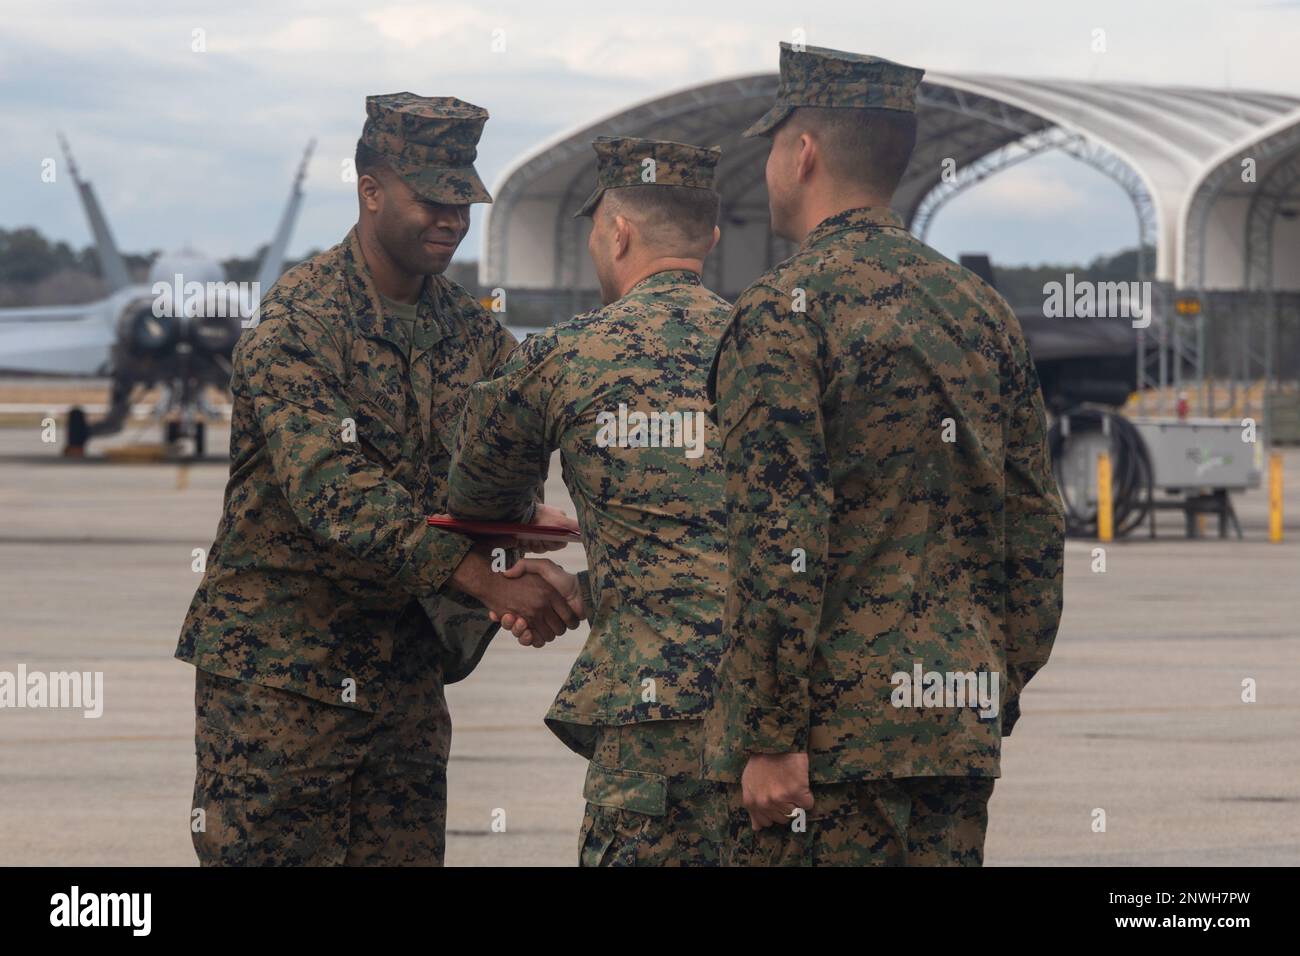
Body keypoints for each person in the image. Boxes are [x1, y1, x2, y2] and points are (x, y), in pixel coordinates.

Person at [176, 92, 582, 866]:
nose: (452, 218)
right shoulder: (295, 323)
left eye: (463, 200)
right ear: (371, 189)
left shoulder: (472, 334)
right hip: (282, 685)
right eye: (432, 198)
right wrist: (485, 581)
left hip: (403, 688)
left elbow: (517, 450)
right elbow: (333, 489)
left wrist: (529, 538)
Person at [705, 44, 1065, 866]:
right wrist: (989, 687)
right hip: (953, 731)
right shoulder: (982, 314)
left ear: (803, 153)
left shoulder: (783, 314)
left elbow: (779, 537)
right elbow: (1036, 528)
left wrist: (766, 733)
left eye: (772, 145)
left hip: (825, 755)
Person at [446, 136, 733, 865]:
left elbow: (476, 488)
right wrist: (581, 589)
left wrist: (516, 539)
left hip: (650, 729)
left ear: (617, 233)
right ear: (713, 238)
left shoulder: (568, 354)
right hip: (790, 726)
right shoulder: (784, 348)